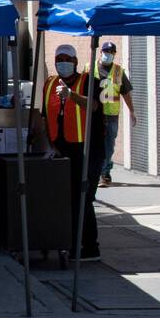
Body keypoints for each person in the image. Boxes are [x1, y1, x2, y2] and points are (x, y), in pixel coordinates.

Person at [33, 43, 105, 262]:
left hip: (87, 149)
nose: (62, 63)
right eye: (58, 59)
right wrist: (50, 145)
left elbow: (93, 106)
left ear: (74, 61)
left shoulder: (89, 82)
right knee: (67, 198)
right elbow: (45, 116)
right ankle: (71, 242)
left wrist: (71, 95)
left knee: (83, 197)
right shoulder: (50, 83)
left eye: (66, 59)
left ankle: (90, 247)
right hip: (62, 148)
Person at [86, 40, 136, 187]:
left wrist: (132, 111)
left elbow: (125, 93)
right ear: (100, 52)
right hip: (94, 114)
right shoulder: (89, 68)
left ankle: (104, 172)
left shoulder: (119, 71)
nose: (107, 55)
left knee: (109, 146)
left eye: (111, 52)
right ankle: (99, 173)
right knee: (94, 144)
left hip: (111, 115)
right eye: (105, 52)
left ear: (114, 54)